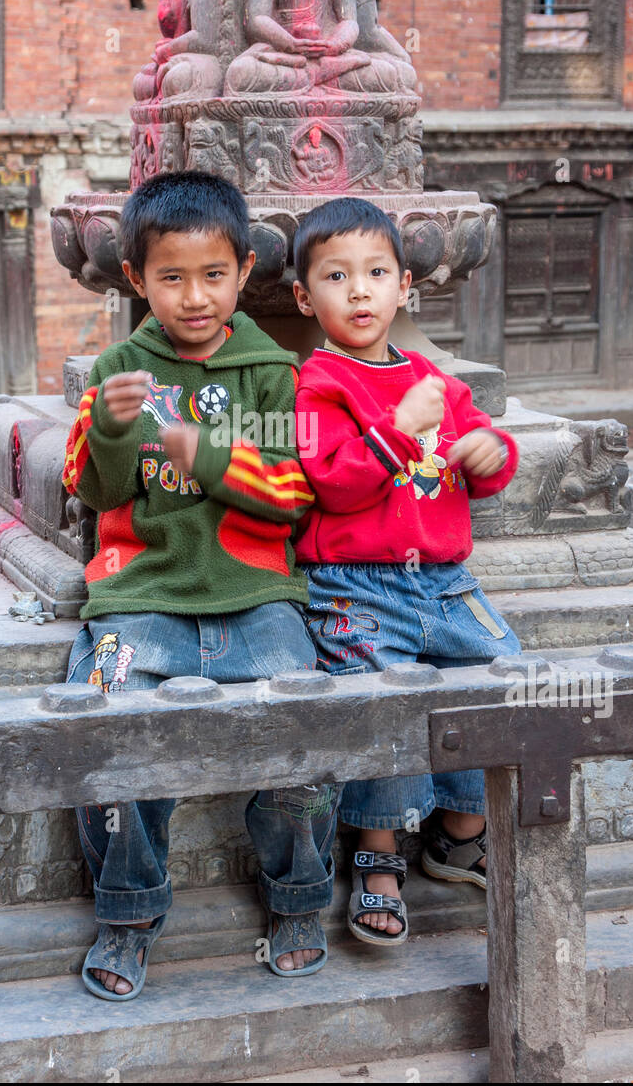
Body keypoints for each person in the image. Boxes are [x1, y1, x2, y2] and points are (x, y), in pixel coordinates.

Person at [62, 170, 339, 998]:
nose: (193, 298)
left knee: (311, 732)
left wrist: (207, 454)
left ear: (244, 269)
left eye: (212, 276)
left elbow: (294, 492)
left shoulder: (268, 372)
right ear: (135, 278)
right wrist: (113, 430)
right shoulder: (121, 368)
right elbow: (99, 489)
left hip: (257, 597)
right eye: (170, 278)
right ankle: (129, 907)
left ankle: (297, 897)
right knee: (102, 728)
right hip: (141, 597)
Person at [291, 197, 521, 947]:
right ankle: (378, 856)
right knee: (384, 706)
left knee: (506, 675)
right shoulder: (318, 384)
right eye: (336, 275)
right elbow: (332, 481)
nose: (359, 291)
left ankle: (460, 833)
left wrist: (492, 457)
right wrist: (398, 429)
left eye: (376, 272)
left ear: (404, 288)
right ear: (304, 296)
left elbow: (485, 446)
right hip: (357, 588)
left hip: (448, 587)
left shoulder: (434, 379)